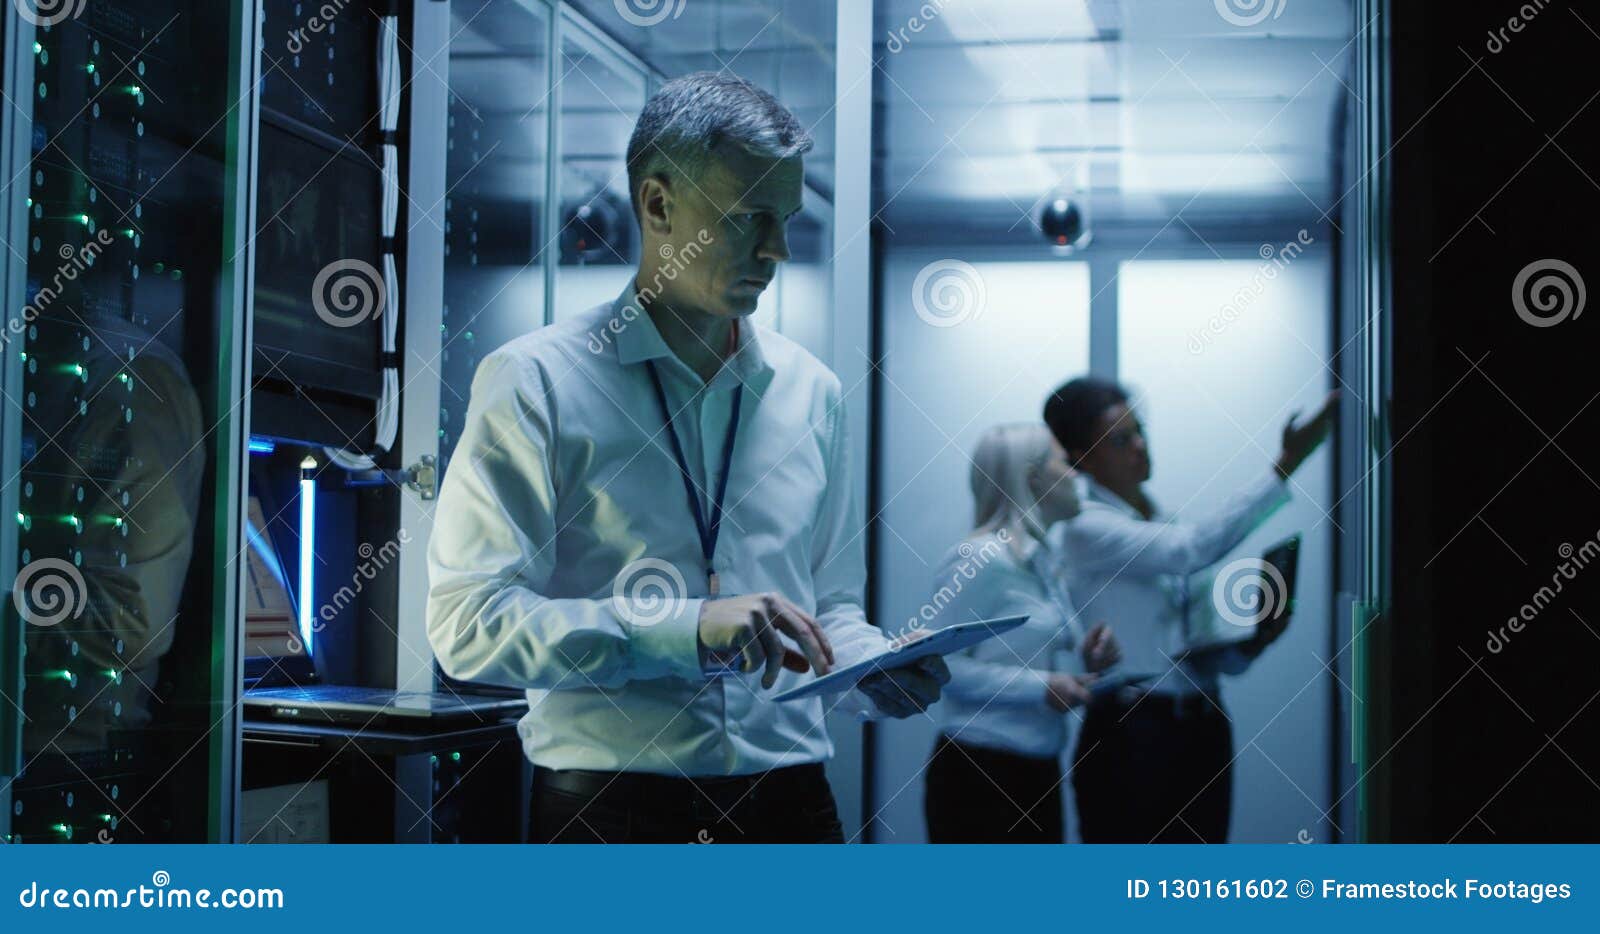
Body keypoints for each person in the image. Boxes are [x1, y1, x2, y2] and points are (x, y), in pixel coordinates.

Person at [426, 71, 947, 844]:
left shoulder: (814, 391)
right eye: (748, 218)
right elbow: (469, 625)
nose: (774, 250)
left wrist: (875, 670)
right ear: (659, 205)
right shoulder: (536, 381)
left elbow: (830, 607)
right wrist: (686, 628)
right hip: (614, 818)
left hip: (793, 811)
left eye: (787, 220)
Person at [1043, 377, 1335, 843]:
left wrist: (1252, 644)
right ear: (1081, 458)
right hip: (1131, 737)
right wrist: (1285, 465)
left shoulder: (1160, 522)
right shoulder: (1085, 528)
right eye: (1121, 440)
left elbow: (1193, 644)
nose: (1140, 446)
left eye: (1139, 430)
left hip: (1202, 725)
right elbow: (1191, 549)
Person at [921, 423, 1121, 843]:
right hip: (981, 779)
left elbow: (1020, 652)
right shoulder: (981, 558)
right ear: (1032, 477)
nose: (1077, 474)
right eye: (1065, 462)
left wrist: (1085, 659)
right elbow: (934, 663)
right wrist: (1041, 688)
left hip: (1038, 773)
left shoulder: (1043, 560)